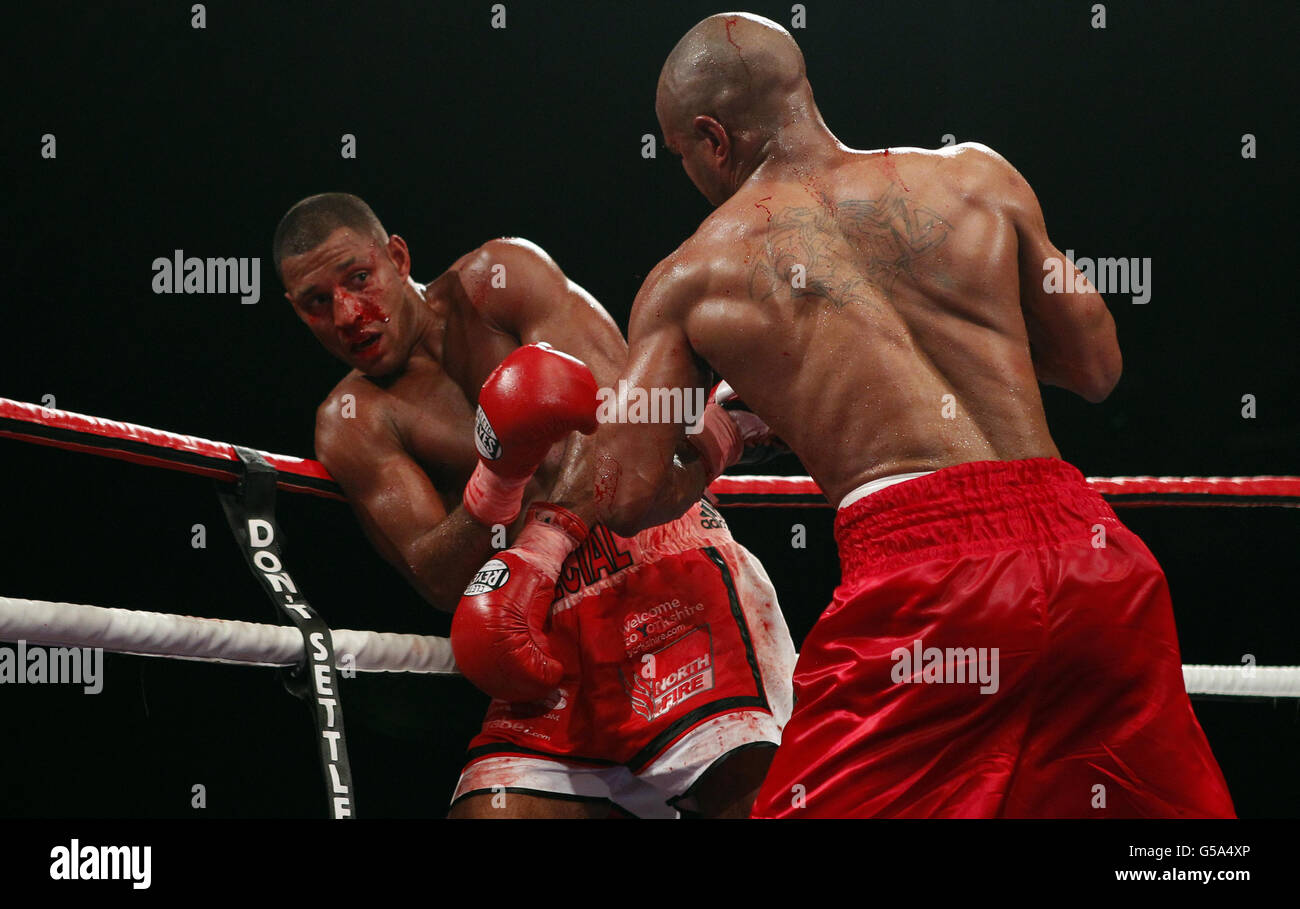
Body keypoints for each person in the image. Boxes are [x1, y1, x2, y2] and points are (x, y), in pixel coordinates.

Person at [470, 13, 1234, 817]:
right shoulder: (979, 176)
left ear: (711, 136)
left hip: (926, 581)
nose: (685, 170)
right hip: (1092, 554)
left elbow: (622, 492)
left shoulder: (695, 273)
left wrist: (725, 432)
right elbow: (1096, 366)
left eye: (680, 152)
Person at [273, 192, 795, 818]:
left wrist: (544, 536)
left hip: (660, 573)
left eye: (359, 279)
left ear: (396, 256)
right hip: (539, 633)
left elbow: (627, 431)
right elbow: (436, 576)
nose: (351, 314)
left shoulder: (500, 280)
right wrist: (497, 475)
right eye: (317, 303)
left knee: (753, 807)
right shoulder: (352, 421)